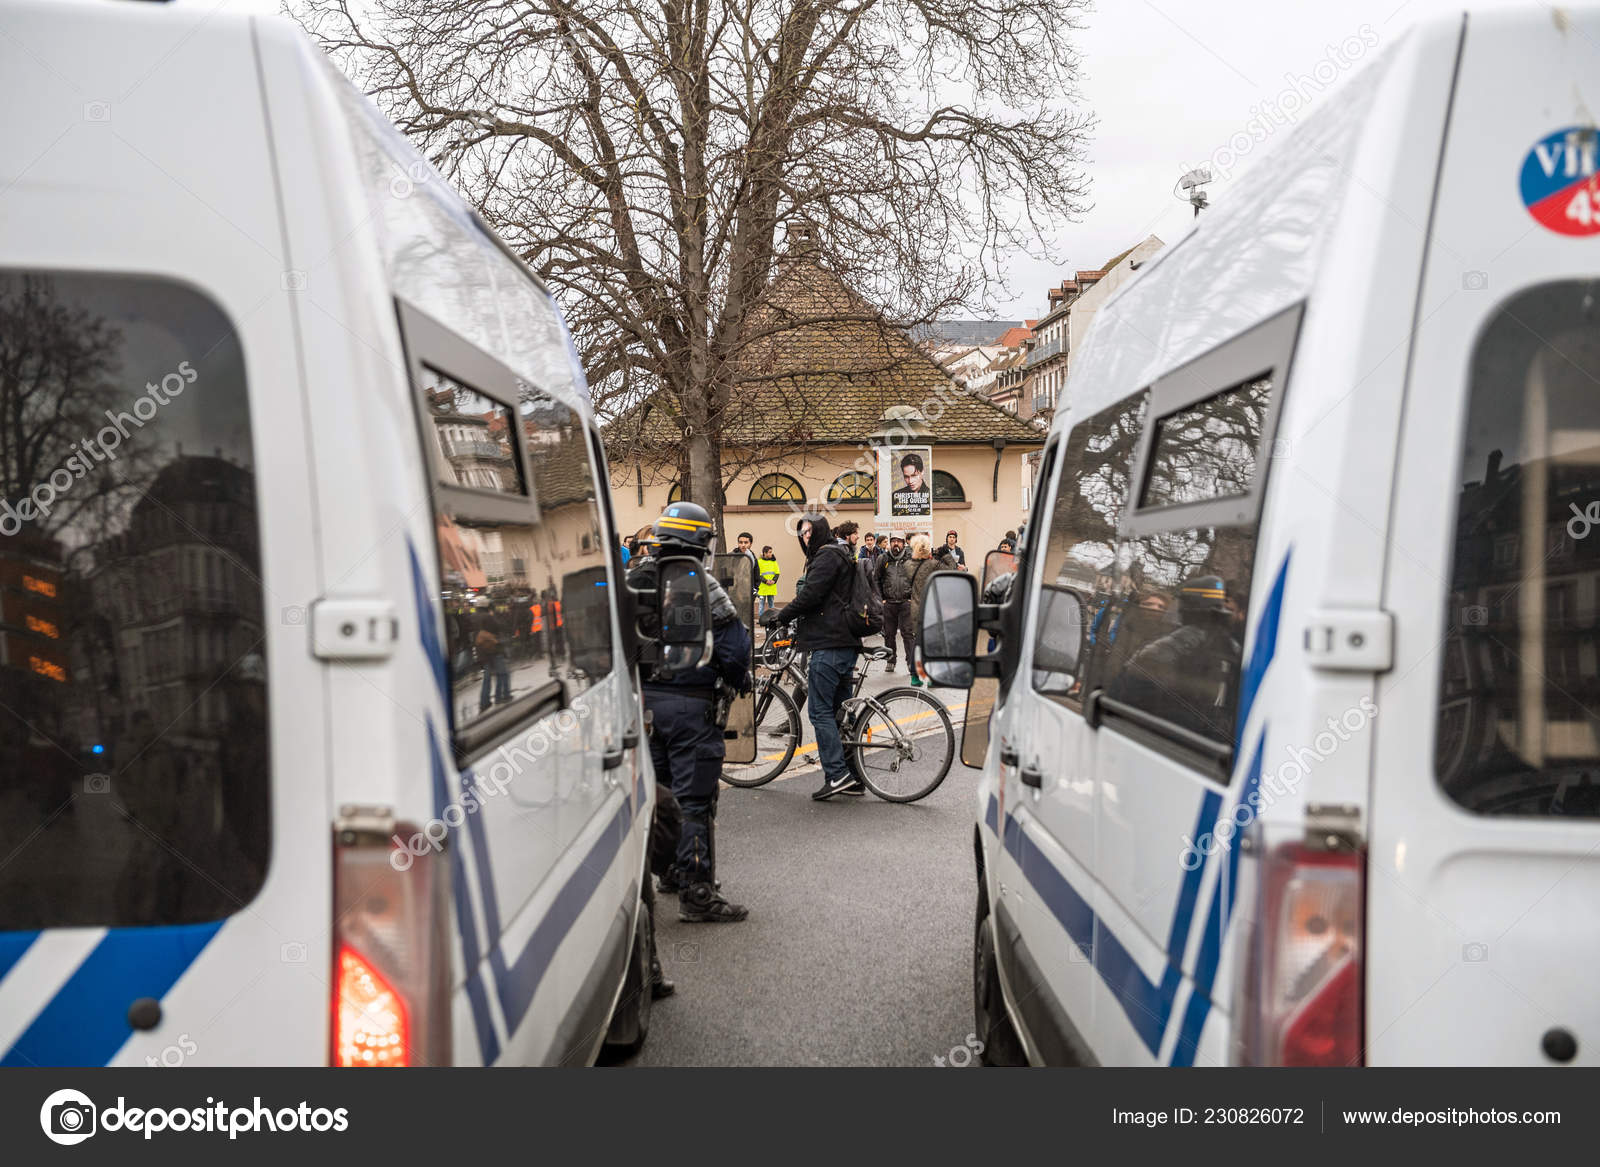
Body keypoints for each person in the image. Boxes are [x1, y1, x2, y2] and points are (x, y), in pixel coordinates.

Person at [629, 502, 754, 922]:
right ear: (699, 543)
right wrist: (738, 679)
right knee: (694, 800)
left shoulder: (633, 577)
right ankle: (698, 893)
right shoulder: (703, 585)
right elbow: (735, 650)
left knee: (658, 795)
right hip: (691, 708)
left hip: (641, 706)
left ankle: (669, 872)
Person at [760, 513, 864, 800]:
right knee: (839, 714)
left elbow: (812, 595)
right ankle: (854, 777)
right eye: (801, 533)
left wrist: (782, 615)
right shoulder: (838, 553)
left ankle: (837, 775)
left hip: (829, 643)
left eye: (809, 531)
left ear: (819, 531)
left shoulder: (826, 556)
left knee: (819, 712)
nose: (805, 537)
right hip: (842, 641)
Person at [906, 534, 943, 688]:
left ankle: (915, 676)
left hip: (915, 608)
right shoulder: (933, 564)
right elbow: (952, 570)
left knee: (917, 643)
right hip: (931, 607)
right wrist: (945, 555)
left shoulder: (908, 564)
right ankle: (933, 677)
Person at [874, 533, 915, 671]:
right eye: (893, 541)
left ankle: (911, 663)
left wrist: (911, 598)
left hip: (905, 602)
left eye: (898, 541)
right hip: (889, 603)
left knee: (908, 633)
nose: (896, 544)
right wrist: (882, 599)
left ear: (904, 543)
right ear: (890, 543)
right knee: (889, 634)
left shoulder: (910, 559)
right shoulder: (883, 559)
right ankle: (891, 660)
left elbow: (917, 579)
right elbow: (876, 580)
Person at [472, 595, 510, 711]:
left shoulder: (473, 617)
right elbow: (499, 627)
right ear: (486, 605)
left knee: (487, 677)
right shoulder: (487, 617)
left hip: (481, 651)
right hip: (492, 649)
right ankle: (501, 696)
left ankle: (484, 702)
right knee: (502, 673)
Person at [892, 452, 931, 517]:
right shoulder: (896, 496)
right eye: (906, 477)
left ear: (922, 472)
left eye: (914, 475)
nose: (910, 481)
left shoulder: (930, 495)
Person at [756, 545, 780, 619]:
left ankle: (772, 619)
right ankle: (761, 619)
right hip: (763, 587)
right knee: (761, 604)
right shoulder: (759, 562)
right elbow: (758, 574)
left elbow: (777, 573)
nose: (771, 554)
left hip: (771, 586)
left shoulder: (774, 562)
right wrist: (766, 581)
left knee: (771, 605)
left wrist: (773, 581)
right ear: (764, 553)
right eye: (769, 552)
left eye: (771, 552)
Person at [735, 531, 760, 598]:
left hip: (750, 592)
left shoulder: (753, 557)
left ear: (750, 544)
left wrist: (756, 588)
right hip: (736, 593)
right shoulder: (732, 556)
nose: (743, 545)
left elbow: (756, 574)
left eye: (746, 542)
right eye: (740, 542)